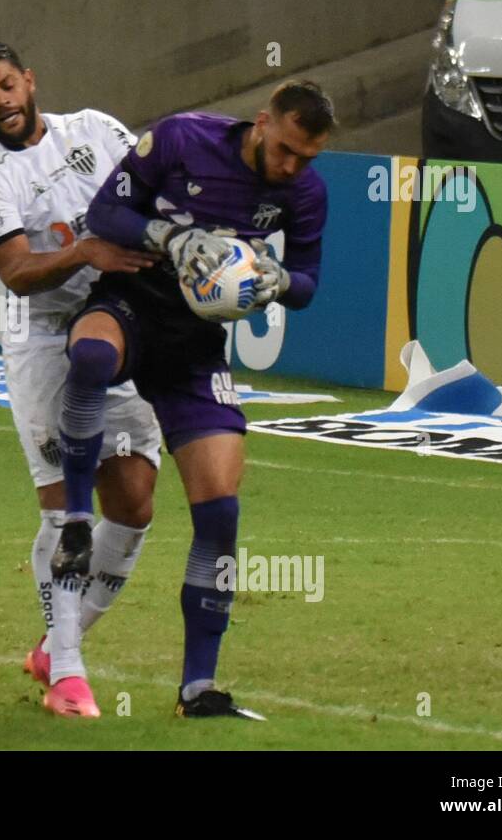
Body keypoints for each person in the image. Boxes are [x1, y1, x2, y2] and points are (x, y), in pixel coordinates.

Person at [58, 80, 334, 719]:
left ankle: (197, 689)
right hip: (131, 303)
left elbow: (310, 285)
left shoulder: (306, 192)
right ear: (263, 122)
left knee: (219, 512)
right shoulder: (183, 138)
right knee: (92, 357)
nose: (291, 166)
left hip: (195, 345)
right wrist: (170, 238)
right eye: (286, 149)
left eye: (306, 158)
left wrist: (277, 278)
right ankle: (75, 518)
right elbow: (105, 215)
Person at [0, 41, 163, 718]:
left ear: (30, 80)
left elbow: (152, 191)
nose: (2, 102)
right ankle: (69, 673)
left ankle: (54, 643)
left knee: (133, 502)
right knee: (63, 509)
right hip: (42, 339)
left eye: (8, 85)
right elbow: (17, 270)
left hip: (116, 324)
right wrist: (85, 250)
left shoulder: (97, 132)